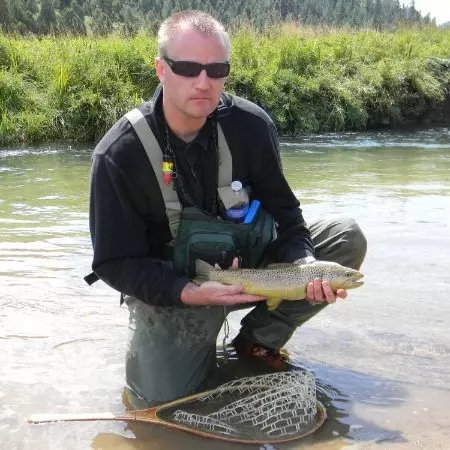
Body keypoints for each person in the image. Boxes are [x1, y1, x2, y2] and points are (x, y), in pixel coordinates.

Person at [86, 10, 367, 407]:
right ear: (161, 70)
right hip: (176, 286)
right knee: (161, 403)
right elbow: (114, 263)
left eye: (216, 70)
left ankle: (257, 340)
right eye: (187, 68)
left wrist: (305, 265)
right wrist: (186, 292)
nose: (204, 82)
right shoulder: (119, 155)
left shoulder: (251, 126)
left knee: (344, 237)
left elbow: (287, 216)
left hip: (254, 268)